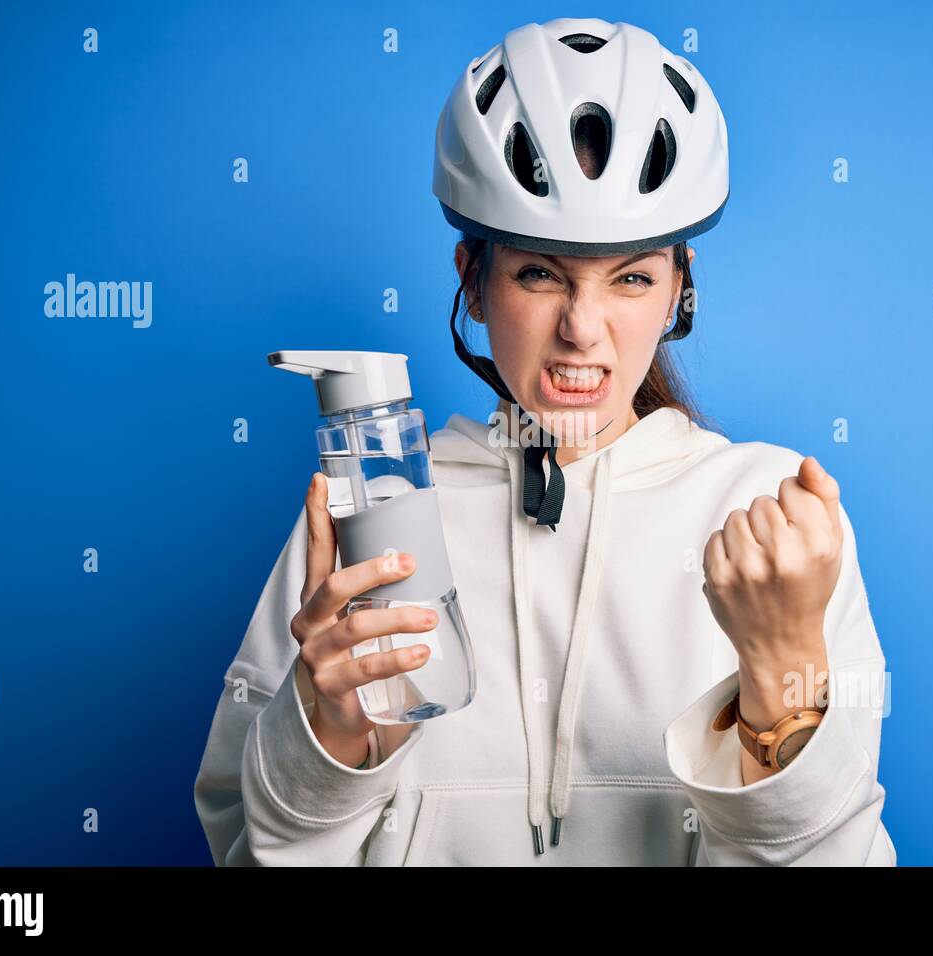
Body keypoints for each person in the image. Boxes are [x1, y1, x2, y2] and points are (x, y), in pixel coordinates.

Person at [194, 17, 895, 866]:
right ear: (475, 282)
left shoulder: (770, 526)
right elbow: (245, 852)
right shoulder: (373, 522)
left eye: (631, 278)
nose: (583, 330)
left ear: (680, 292)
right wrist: (327, 745)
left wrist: (784, 676)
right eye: (538, 272)